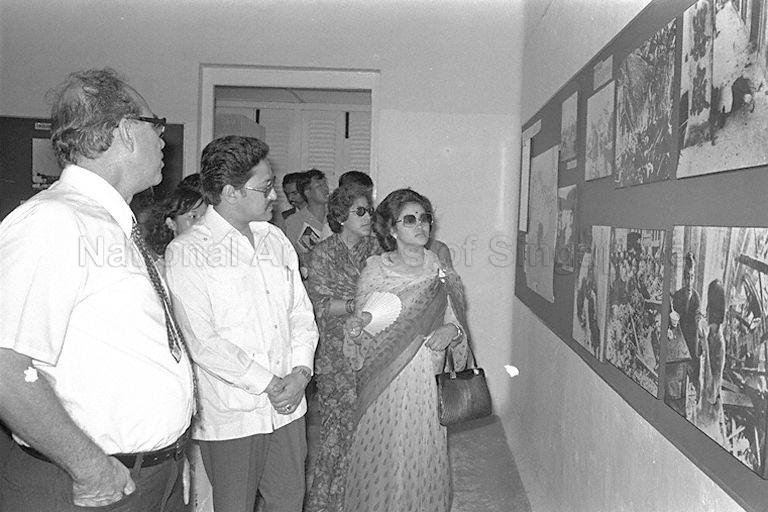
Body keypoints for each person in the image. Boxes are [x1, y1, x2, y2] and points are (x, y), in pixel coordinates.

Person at [0, 68, 195, 511]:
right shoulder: (55, 221)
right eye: (155, 125)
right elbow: (6, 365)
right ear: (126, 132)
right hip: (95, 484)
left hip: (151, 477)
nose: (163, 138)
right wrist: (90, 468)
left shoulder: (112, 224)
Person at [164, 135, 318, 512]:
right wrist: (268, 383)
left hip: (288, 407)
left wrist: (300, 373)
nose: (274, 197)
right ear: (231, 192)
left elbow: (301, 312)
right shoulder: (188, 252)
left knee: (288, 503)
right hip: (234, 413)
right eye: (265, 188)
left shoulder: (275, 240)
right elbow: (202, 341)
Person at [342, 188, 468, 511]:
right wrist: (357, 327)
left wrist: (451, 330)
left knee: (421, 447)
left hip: (427, 370)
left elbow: (456, 318)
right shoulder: (376, 269)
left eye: (424, 218)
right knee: (381, 448)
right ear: (392, 229)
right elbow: (364, 324)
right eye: (409, 219)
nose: (420, 225)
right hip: (385, 377)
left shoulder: (438, 267)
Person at [304, 185, 381, 511]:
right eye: (360, 211)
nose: (368, 217)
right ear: (340, 216)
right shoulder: (323, 254)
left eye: (369, 211)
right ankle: (328, 502)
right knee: (338, 428)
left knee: (368, 428)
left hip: (372, 349)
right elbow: (317, 303)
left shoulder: (376, 251)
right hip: (336, 353)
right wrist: (355, 305)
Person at [143, 185, 206, 264]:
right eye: (193, 216)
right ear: (171, 223)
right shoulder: (160, 265)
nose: (201, 222)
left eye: (204, 216)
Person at [696, 279, 726, 444]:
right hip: (708, 396)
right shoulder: (712, 333)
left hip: (711, 400)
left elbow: (713, 384)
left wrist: (705, 346)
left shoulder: (717, 341)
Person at [284, 168, 331, 259]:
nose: (325, 189)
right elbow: (290, 255)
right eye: (319, 186)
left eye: (325, 184)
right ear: (307, 192)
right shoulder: (293, 222)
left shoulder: (337, 216)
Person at [672, 252, 701, 379]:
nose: (690, 282)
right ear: (684, 279)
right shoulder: (678, 296)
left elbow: (697, 321)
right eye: (687, 278)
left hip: (691, 339)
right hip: (679, 336)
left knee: (690, 369)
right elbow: (674, 317)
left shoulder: (696, 298)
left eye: (692, 277)